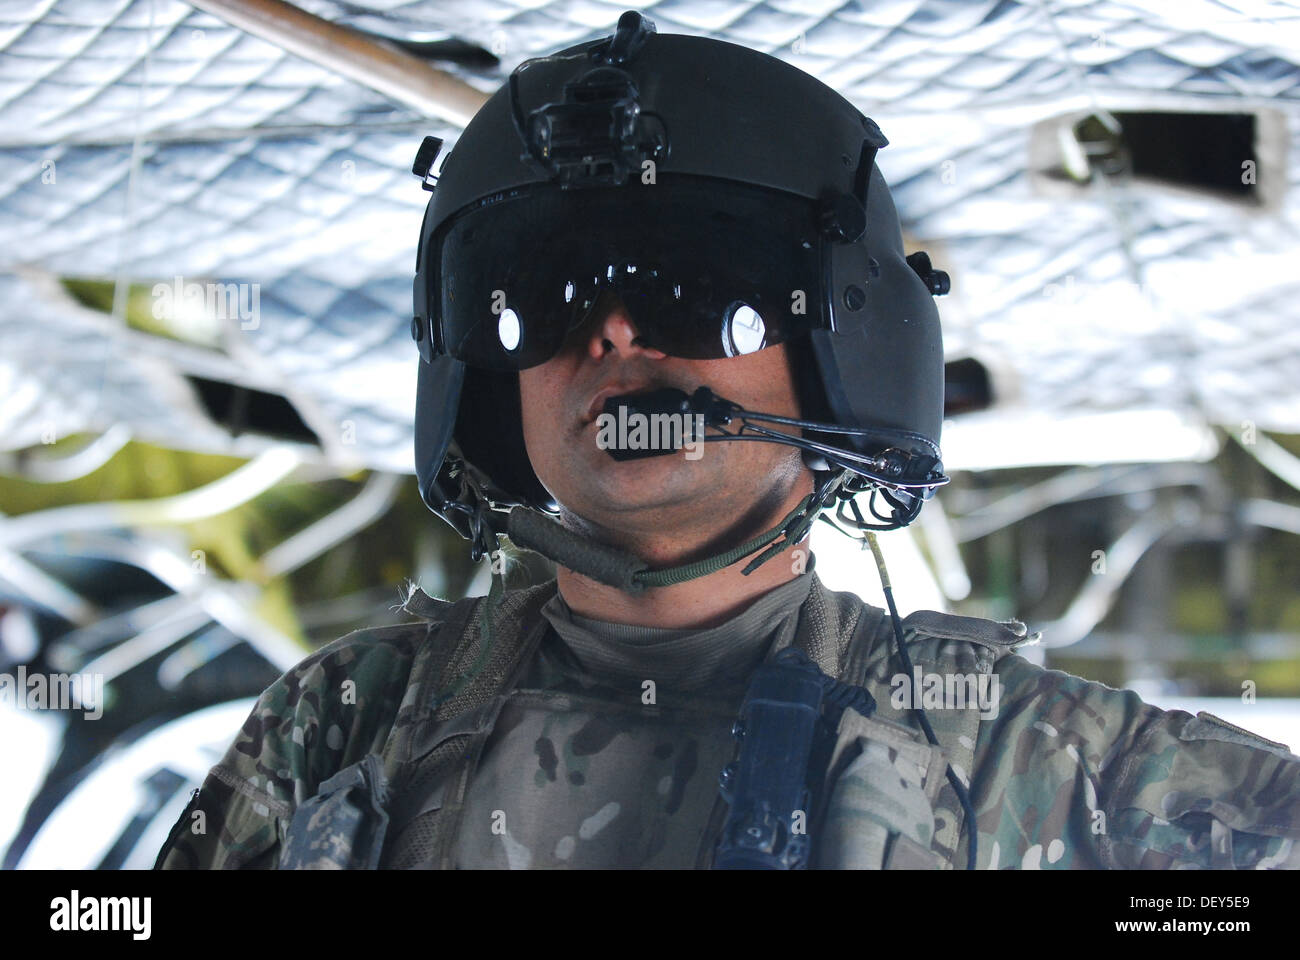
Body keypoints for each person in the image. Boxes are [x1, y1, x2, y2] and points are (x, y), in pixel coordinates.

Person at [156, 11, 1299, 870]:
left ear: (846, 344)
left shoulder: (1026, 764)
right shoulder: (347, 719)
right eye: (535, 297)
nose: (607, 332)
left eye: (694, 290)